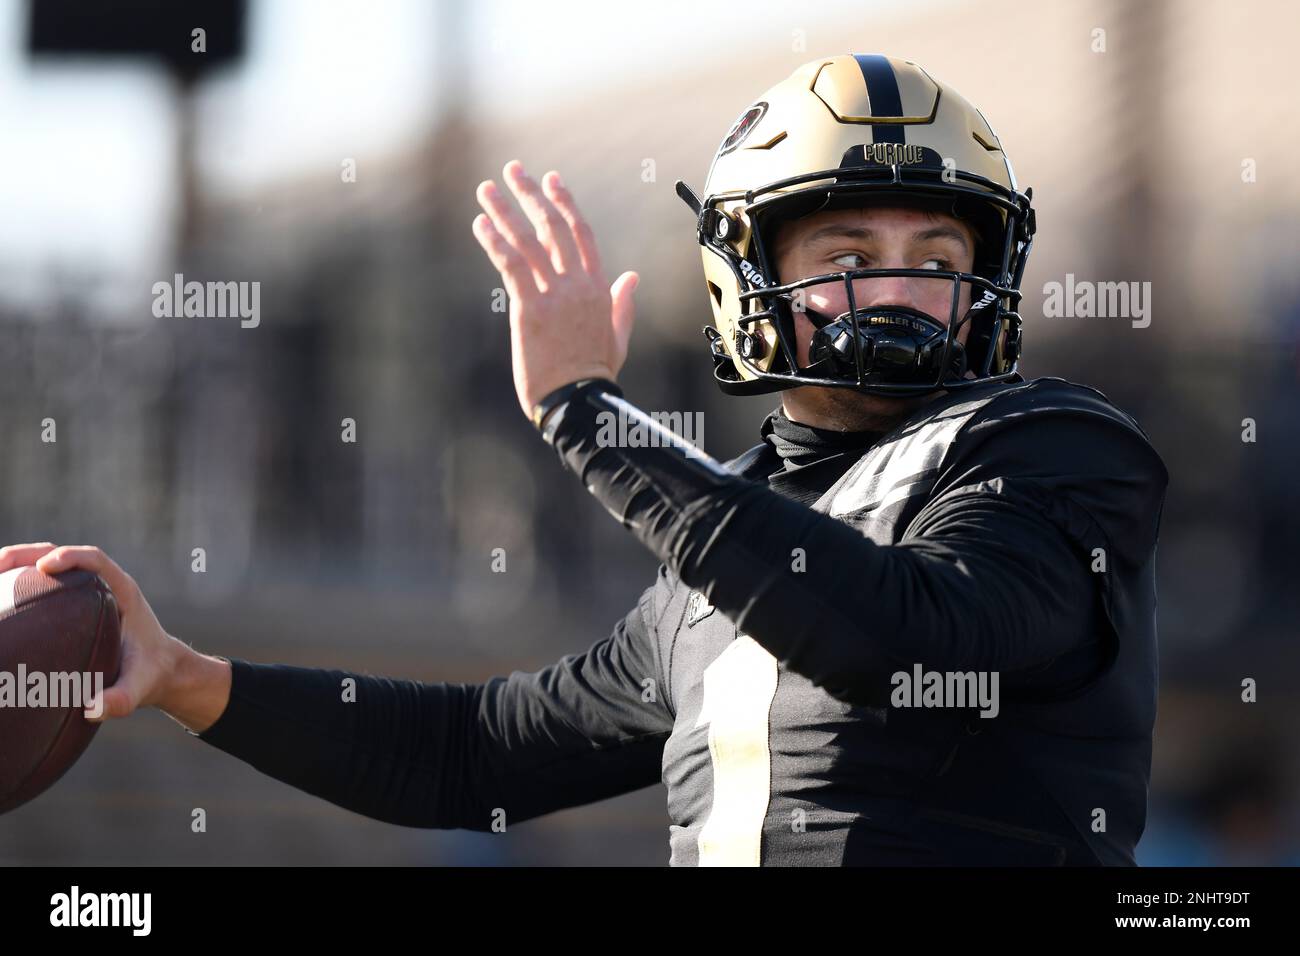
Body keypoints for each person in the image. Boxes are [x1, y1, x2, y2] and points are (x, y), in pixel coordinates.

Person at [2, 53, 1167, 865]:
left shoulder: (1052, 448)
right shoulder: (724, 555)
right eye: (848, 246)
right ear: (747, 277)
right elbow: (470, 756)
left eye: (932, 248)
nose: (897, 285)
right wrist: (184, 674)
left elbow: (906, 632)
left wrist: (586, 414)